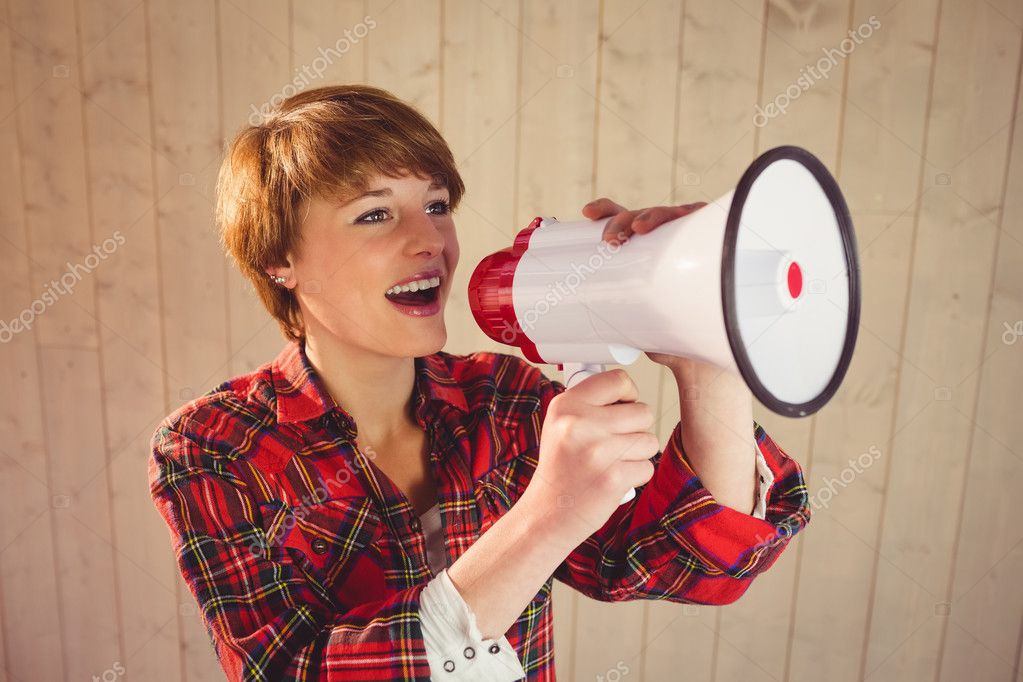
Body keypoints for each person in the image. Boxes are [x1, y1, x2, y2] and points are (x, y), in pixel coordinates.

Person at [148, 84, 811, 681]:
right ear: (279, 259)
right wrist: (548, 515)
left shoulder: (501, 399)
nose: (429, 239)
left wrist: (704, 343)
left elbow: (697, 569)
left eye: (436, 205)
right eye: (375, 215)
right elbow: (289, 673)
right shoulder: (212, 445)